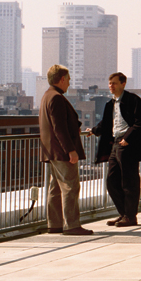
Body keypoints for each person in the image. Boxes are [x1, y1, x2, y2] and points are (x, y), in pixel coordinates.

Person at [94, 71, 141, 227]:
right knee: (111, 180)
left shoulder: (132, 100)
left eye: (114, 83)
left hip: (127, 144)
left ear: (123, 84)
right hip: (115, 144)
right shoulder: (110, 103)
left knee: (129, 182)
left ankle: (130, 216)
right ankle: (123, 213)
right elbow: (106, 124)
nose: (111, 86)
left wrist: (127, 139)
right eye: (110, 83)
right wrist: (93, 130)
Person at [38, 64, 93, 235]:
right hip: (61, 151)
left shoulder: (46, 96)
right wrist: (71, 150)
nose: (69, 84)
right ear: (62, 79)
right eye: (68, 80)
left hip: (51, 150)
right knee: (71, 186)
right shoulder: (56, 98)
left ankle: (55, 224)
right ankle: (72, 225)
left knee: (55, 188)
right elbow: (59, 128)